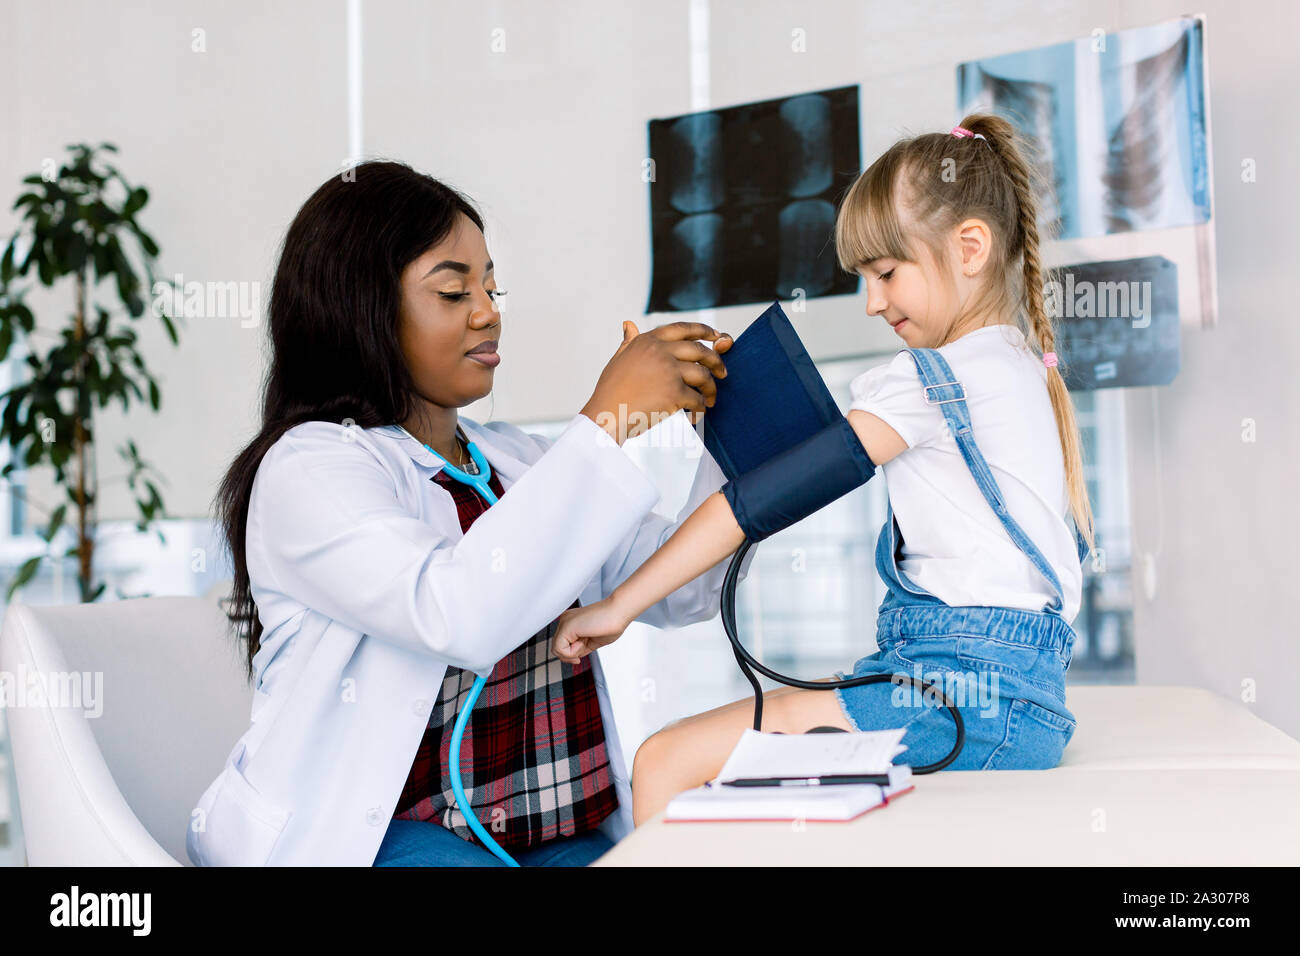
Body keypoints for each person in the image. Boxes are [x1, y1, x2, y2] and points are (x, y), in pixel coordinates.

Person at [190, 160, 752, 866]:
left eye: (491, 286)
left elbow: (683, 587)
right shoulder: (310, 468)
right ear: (358, 305)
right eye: (454, 290)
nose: (488, 310)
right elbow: (456, 612)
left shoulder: (518, 458)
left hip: (554, 830)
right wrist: (606, 421)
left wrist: (735, 438)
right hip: (383, 837)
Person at [551, 114, 1098, 825]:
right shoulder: (1019, 367)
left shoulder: (931, 380)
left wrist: (617, 607)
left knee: (664, 762)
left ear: (970, 249)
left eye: (885, 273)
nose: (872, 302)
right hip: (1019, 700)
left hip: (960, 695)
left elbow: (750, 508)